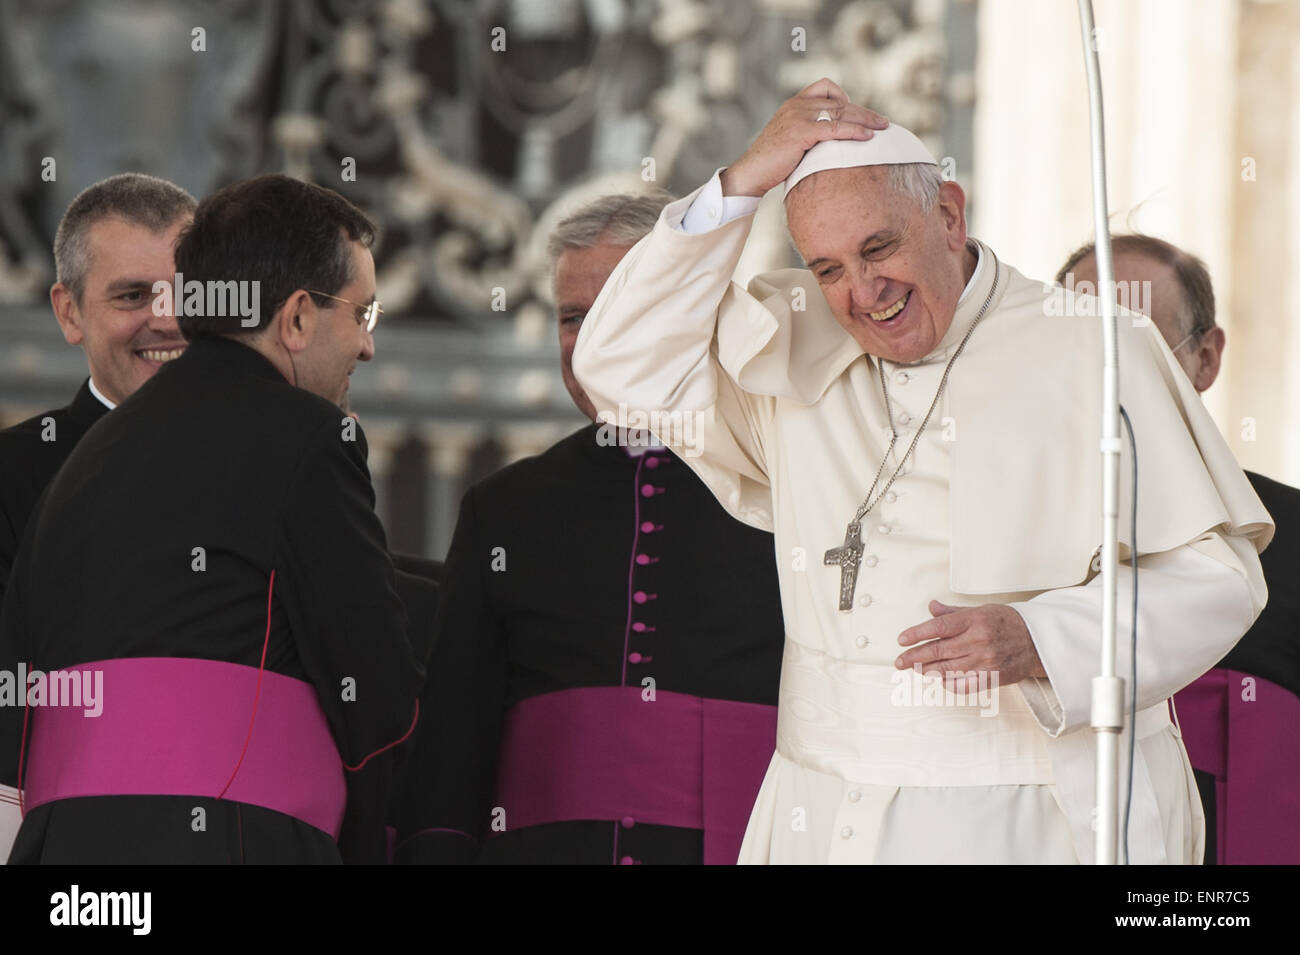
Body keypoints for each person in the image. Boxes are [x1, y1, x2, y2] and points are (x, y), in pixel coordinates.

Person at [571, 78, 1272, 864]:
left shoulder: (1097, 347)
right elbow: (616, 363)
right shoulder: (788, 339)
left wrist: (1043, 637)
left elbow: (1220, 579)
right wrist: (742, 182)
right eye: (827, 268)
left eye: (879, 249)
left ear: (948, 215)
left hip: (1030, 815)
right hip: (821, 809)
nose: (863, 293)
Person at [0, 174, 423, 863]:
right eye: (362, 314)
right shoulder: (309, 434)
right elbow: (375, 690)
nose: (367, 346)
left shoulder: (79, 461)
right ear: (297, 318)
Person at [392, 192, 785, 865]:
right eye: (573, 318)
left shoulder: (783, 490)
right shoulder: (504, 508)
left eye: (618, 309)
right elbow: (455, 734)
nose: (590, 342)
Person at [1059, 235, 1299, 863]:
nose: (1104, 373)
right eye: (1078, 344)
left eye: (1134, 345)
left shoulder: (1293, 534)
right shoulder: (1002, 536)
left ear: (1206, 358)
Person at [0, 173, 194, 846]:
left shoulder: (281, 466)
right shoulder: (11, 476)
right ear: (70, 312)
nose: (166, 320)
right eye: (133, 296)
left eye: (185, 294)